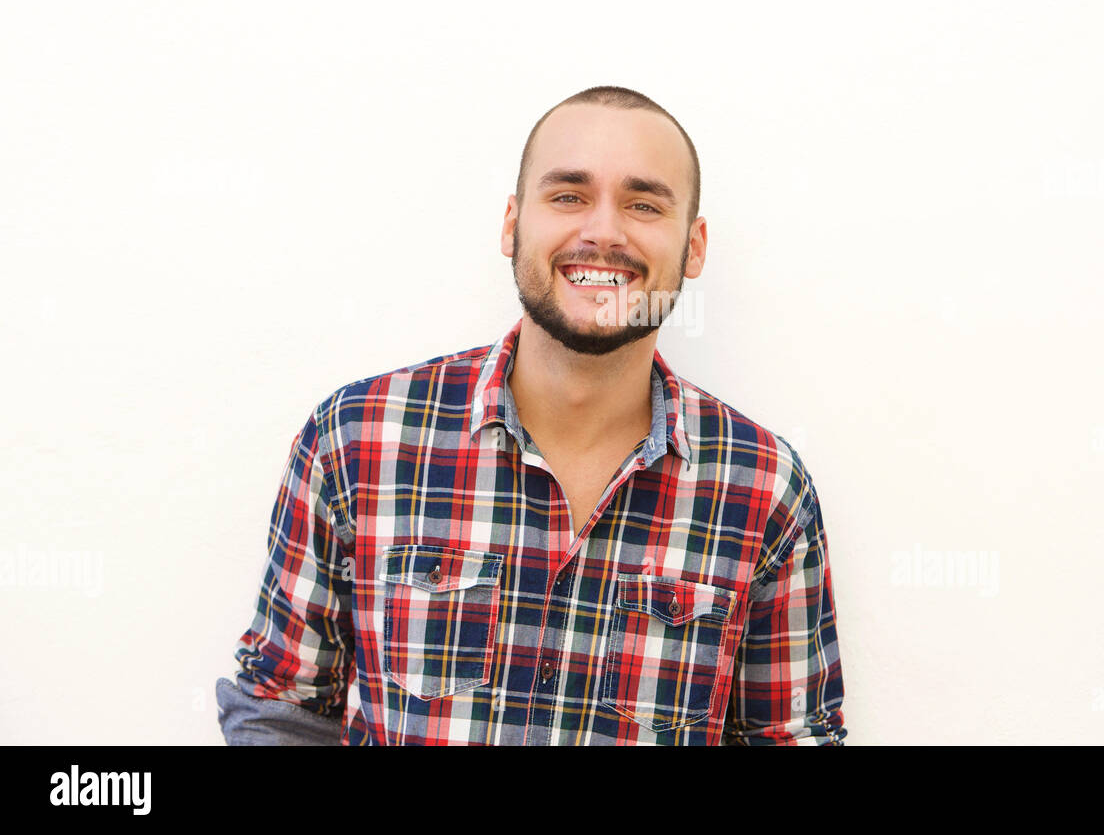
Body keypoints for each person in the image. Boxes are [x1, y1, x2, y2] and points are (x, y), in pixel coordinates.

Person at [215, 85, 847, 745]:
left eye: (643, 203)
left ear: (693, 245)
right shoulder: (355, 442)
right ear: (513, 224)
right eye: (569, 195)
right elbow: (279, 713)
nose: (603, 230)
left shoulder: (765, 488)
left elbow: (794, 737)